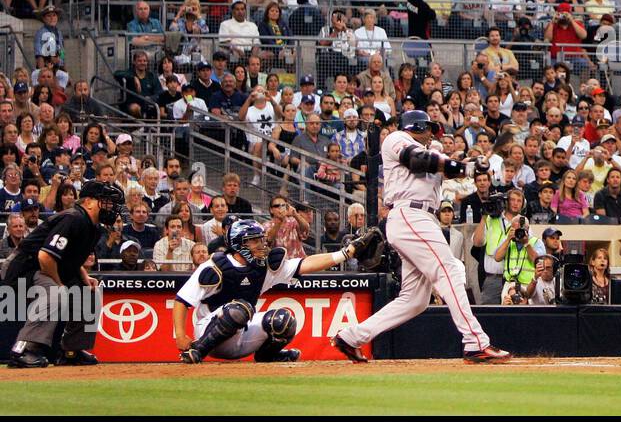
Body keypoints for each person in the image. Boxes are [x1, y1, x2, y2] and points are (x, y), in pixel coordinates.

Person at [332, 110, 510, 363]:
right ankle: (475, 342)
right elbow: (417, 160)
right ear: (416, 126)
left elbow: (448, 169)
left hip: (421, 218)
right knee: (448, 270)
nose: (431, 134)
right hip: (410, 214)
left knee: (414, 300)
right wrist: (466, 165)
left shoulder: (432, 153)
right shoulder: (396, 139)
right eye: (428, 128)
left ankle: (351, 337)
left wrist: (473, 166)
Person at [173, 219, 374, 362]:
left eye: (260, 240)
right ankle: (198, 351)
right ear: (239, 244)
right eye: (254, 241)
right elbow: (182, 300)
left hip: (241, 334)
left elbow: (306, 264)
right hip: (209, 332)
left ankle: (267, 356)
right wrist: (181, 336)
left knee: (284, 319)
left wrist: (345, 253)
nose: (261, 245)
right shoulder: (215, 266)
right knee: (241, 308)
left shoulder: (265, 266)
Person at [5, 181, 128, 368]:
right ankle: (24, 349)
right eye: (105, 202)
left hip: (44, 266)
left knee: (89, 292)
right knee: (56, 292)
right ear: (88, 202)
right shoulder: (73, 218)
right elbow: (45, 256)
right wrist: (59, 283)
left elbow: (70, 256)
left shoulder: (93, 227)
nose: (110, 207)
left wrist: (83, 276)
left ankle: (71, 351)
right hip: (23, 267)